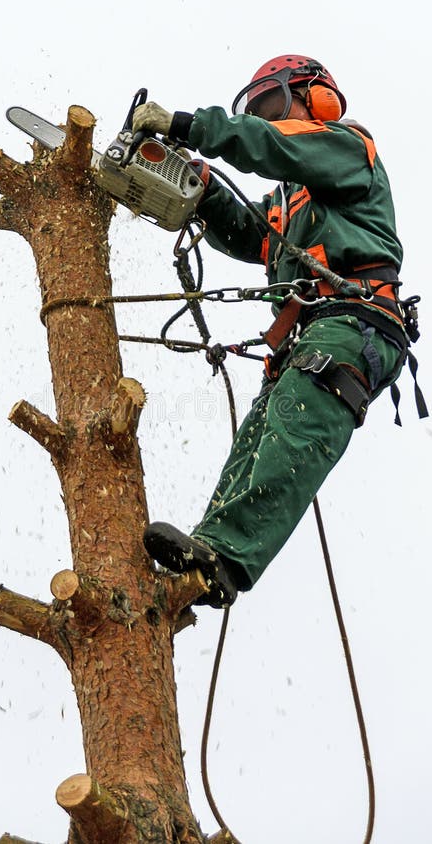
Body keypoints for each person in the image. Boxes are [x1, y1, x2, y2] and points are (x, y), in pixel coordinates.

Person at [132, 54, 411, 608]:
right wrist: (198, 184)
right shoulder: (288, 203)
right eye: (259, 113)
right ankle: (203, 561)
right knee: (257, 440)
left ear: (315, 98)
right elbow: (248, 231)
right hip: (305, 335)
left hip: (355, 323)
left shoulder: (347, 148)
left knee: (293, 432)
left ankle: (227, 559)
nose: (269, 121)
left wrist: (192, 126)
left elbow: (275, 145)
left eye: (275, 107)